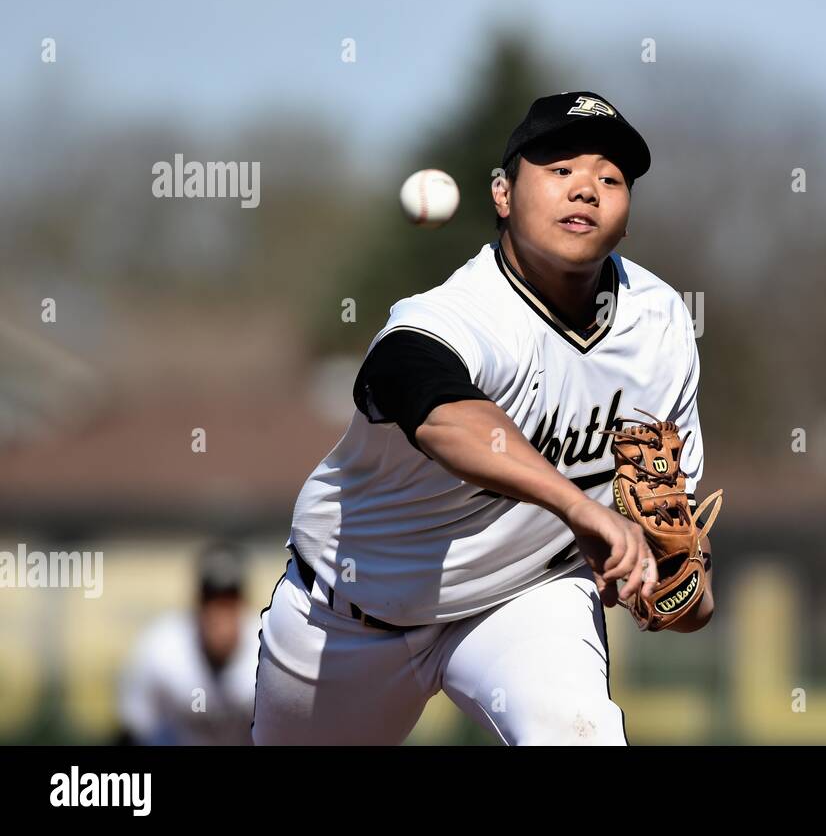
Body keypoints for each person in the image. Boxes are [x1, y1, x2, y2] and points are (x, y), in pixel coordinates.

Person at [252, 91, 714, 745]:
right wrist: (578, 507)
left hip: (525, 597)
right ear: (502, 194)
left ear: (627, 216)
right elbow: (441, 416)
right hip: (352, 613)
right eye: (559, 170)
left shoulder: (660, 321)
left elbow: (681, 565)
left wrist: (672, 586)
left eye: (609, 178)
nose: (586, 189)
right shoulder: (458, 313)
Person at [118, 542, 260, 745]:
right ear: (197, 604)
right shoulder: (160, 648)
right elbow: (133, 729)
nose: (219, 615)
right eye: (210, 601)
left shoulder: (268, 653)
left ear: (242, 606)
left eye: (228, 601)